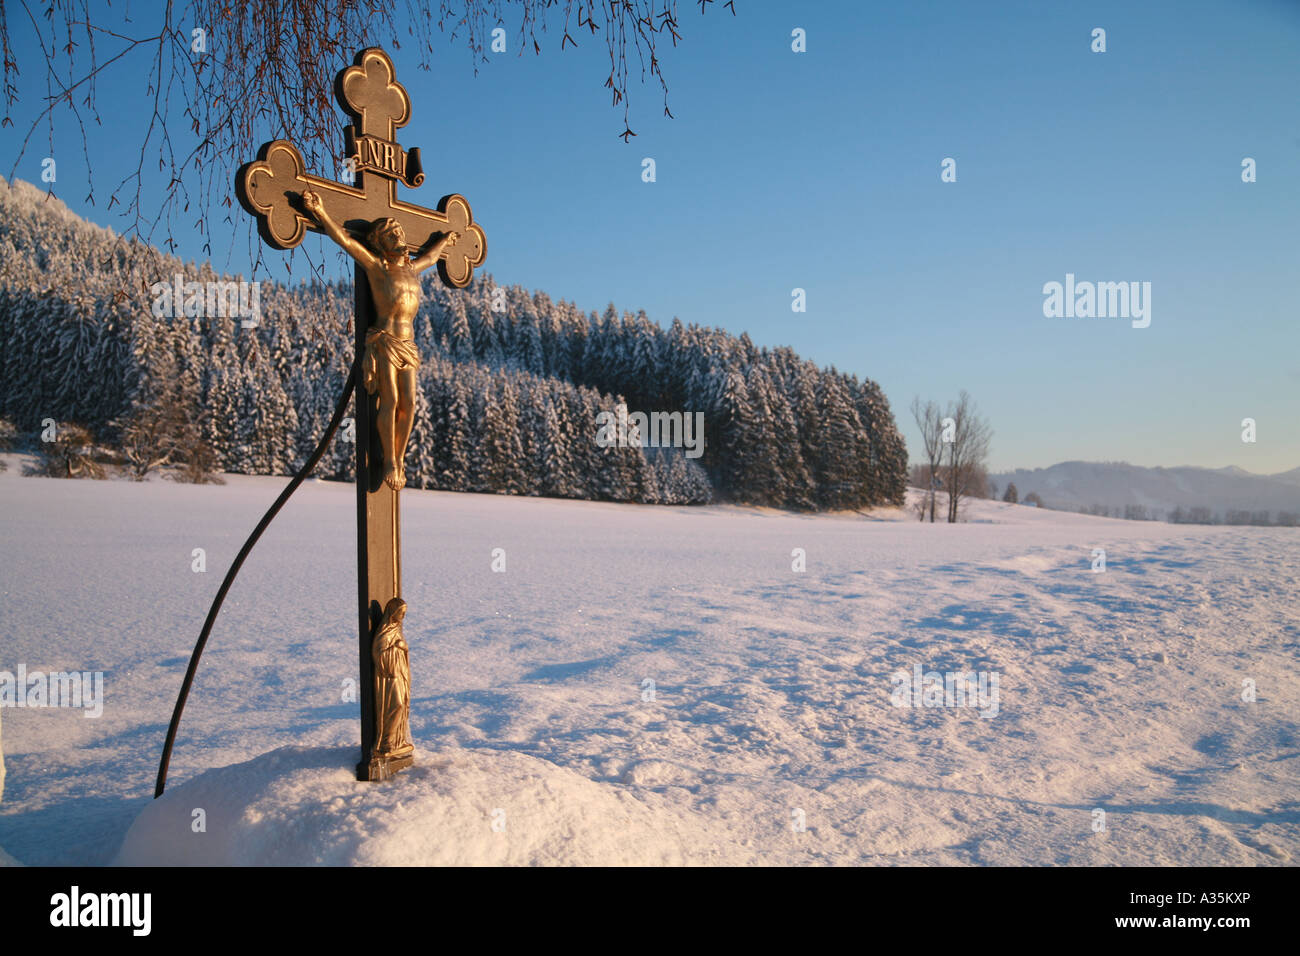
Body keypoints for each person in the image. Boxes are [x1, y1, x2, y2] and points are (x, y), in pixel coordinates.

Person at [301, 190, 457, 490]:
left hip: (408, 344)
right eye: (389, 235)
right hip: (384, 340)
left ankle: (399, 456)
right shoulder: (377, 267)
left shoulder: (412, 268)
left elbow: (432, 256)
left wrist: (445, 240)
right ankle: (389, 461)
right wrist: (320, 212)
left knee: (409, 404)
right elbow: (344, 241)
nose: (397, 237)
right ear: (380, 244)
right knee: (392, 399)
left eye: (398, 233)